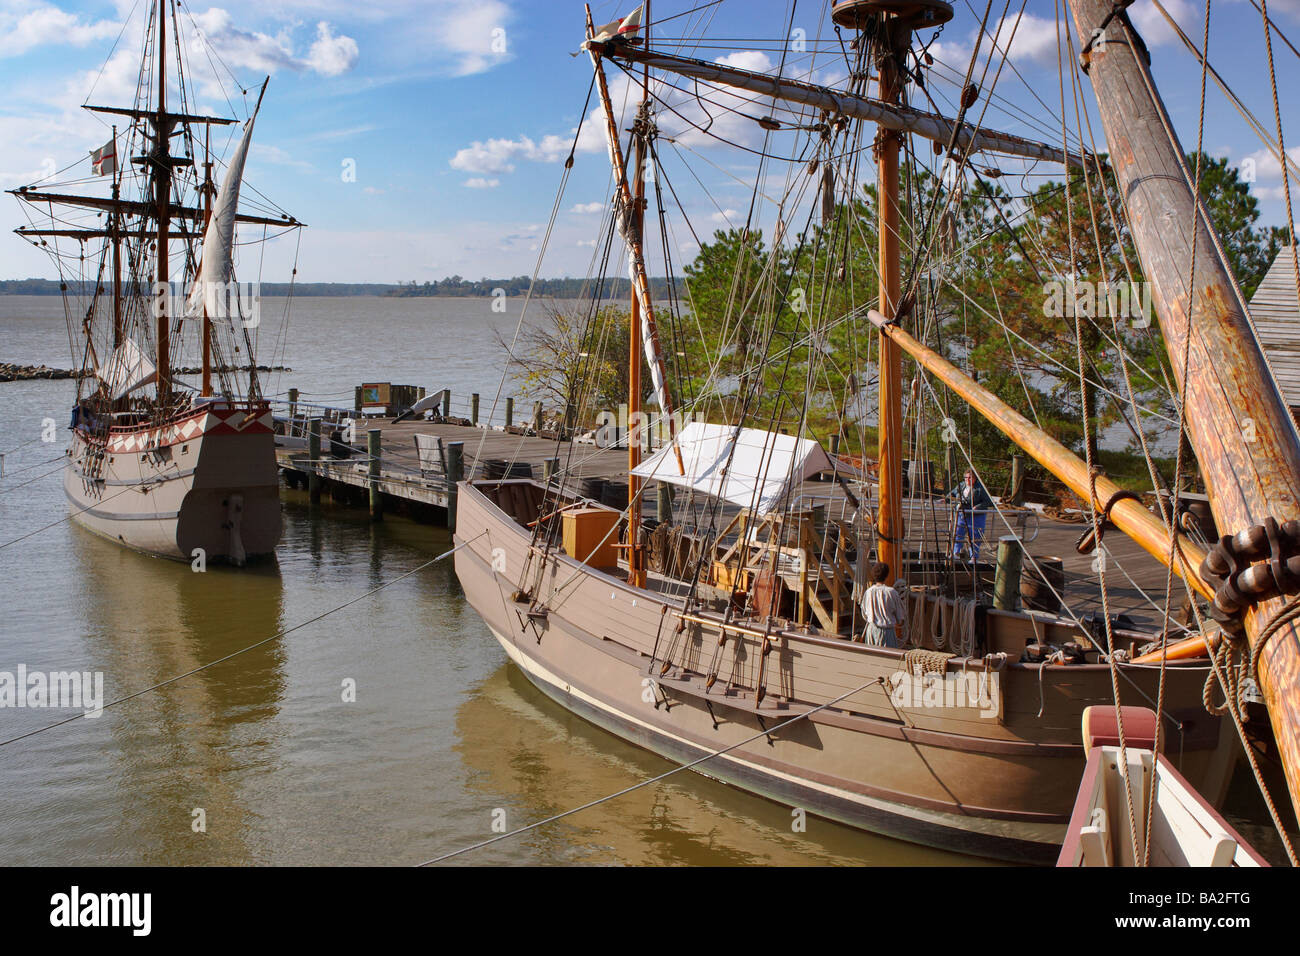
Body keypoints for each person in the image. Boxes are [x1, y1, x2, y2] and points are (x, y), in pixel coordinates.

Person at [949, 468, 993, 561]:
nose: (968, 480)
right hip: (961, 515)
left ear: (975, 478)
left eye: (970, 478)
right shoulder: (961, 486)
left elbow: (988, 502)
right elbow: (952, 494)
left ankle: (974, 557)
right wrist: (945, 499)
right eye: (966, 478)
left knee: (975, 536)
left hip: (976, 516)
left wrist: (978, 507)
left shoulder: (980, 488)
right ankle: (955, 553)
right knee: (958, 533)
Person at [860, 561, 906, 648]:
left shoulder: (868, 592)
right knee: (889, 659)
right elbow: (900, 618)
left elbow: (864, 614)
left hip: (871, 630)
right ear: (886, 575)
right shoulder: (892, 592)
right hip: (887, 633)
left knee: (871, 656)